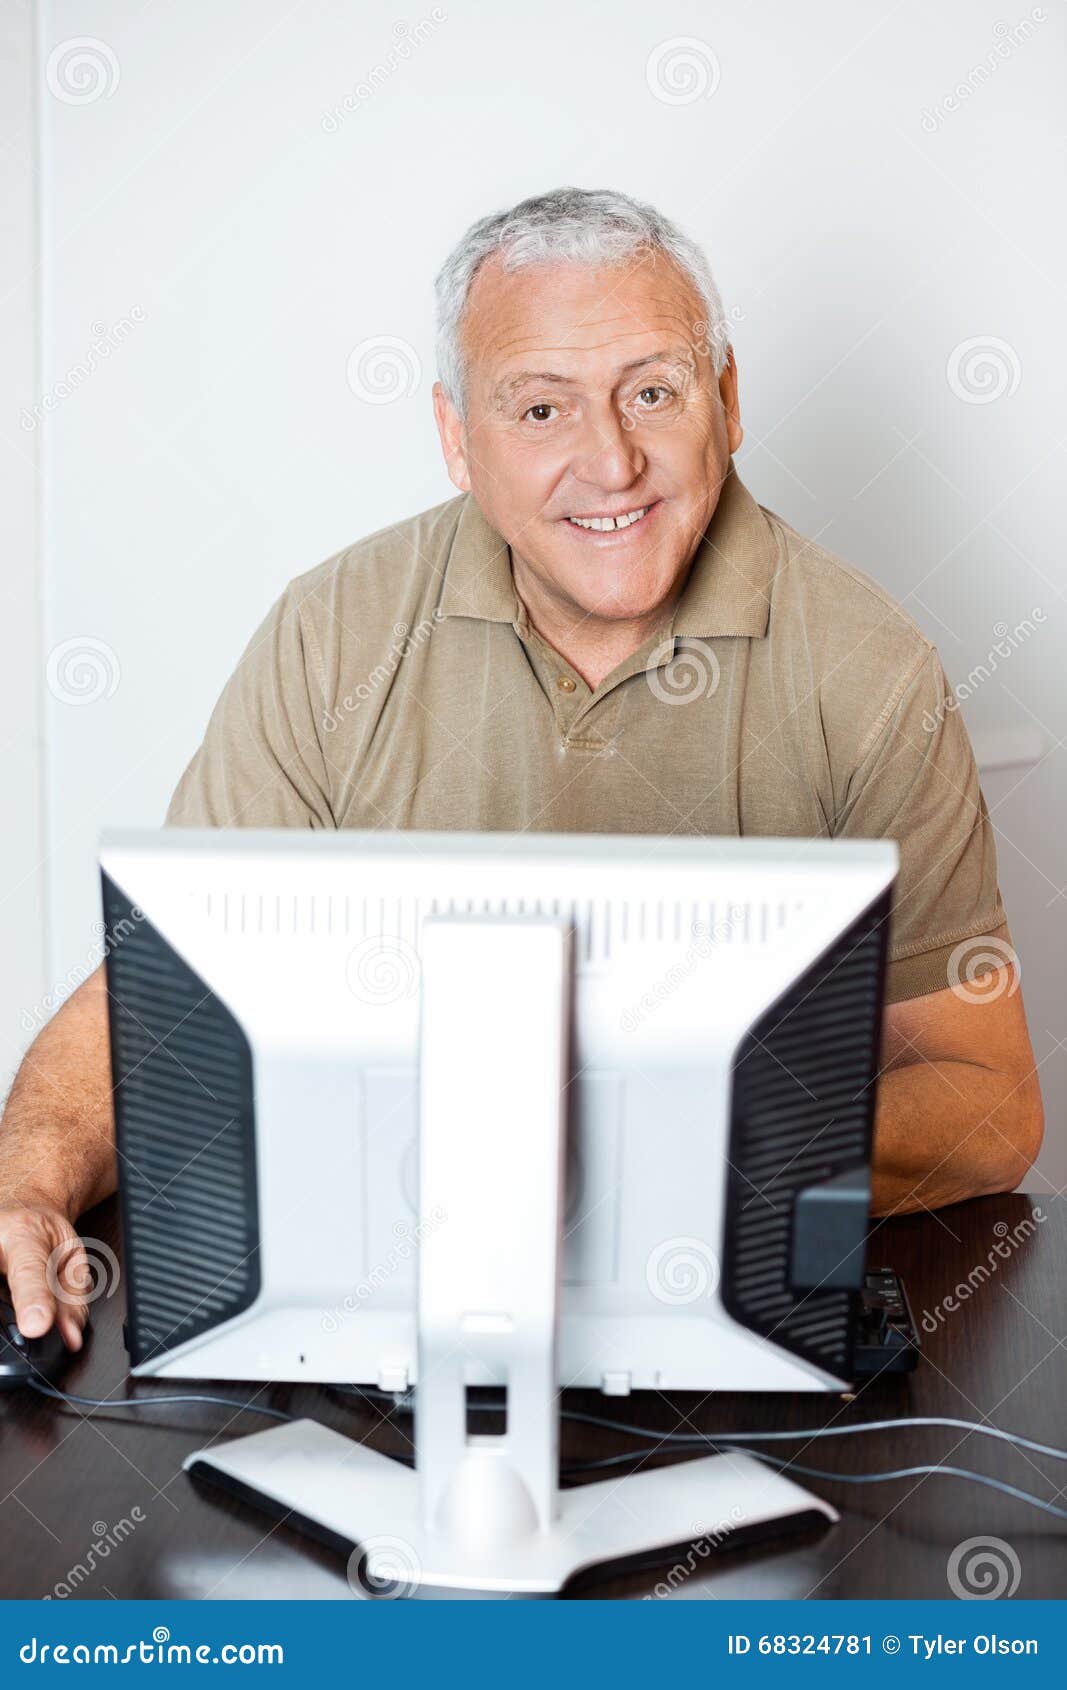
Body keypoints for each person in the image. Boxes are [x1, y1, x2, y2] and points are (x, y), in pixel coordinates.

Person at [0, 187, 1043, 1349]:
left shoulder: (870, 669)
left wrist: (649, 1150)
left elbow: (986, 1101)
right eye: (540, 408)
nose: (611, 461)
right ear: (456, 439)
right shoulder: (327, 637)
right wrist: (32, 1183)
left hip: (728, 1314)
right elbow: (159, 997)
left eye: (651, 391)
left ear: (727, 401)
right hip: (377, 1309)